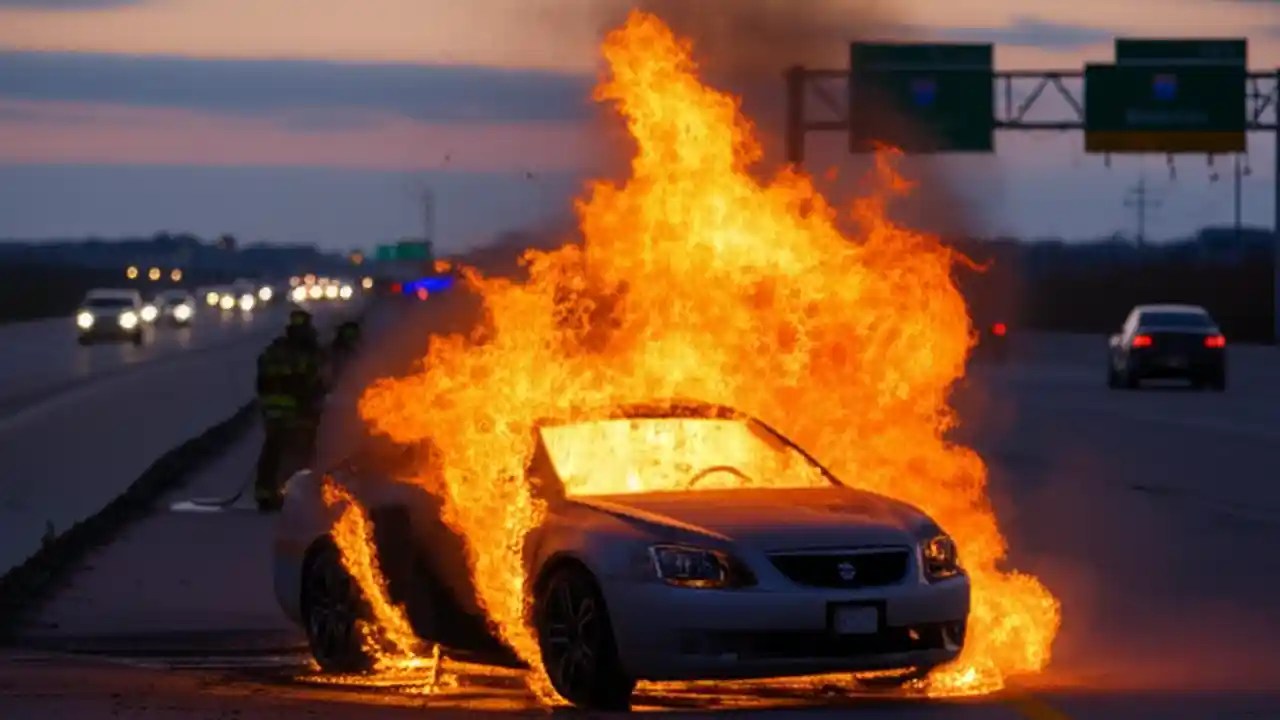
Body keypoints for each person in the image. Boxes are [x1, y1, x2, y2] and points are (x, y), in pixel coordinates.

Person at [253, 309, 326, 511]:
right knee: (300, 449)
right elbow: (314, 382)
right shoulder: (306, 353)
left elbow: (262, 379)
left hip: (274, 408)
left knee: (274, 449)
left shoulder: (275, 350)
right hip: (295, 408)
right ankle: (293, 494)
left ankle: (267, 492)